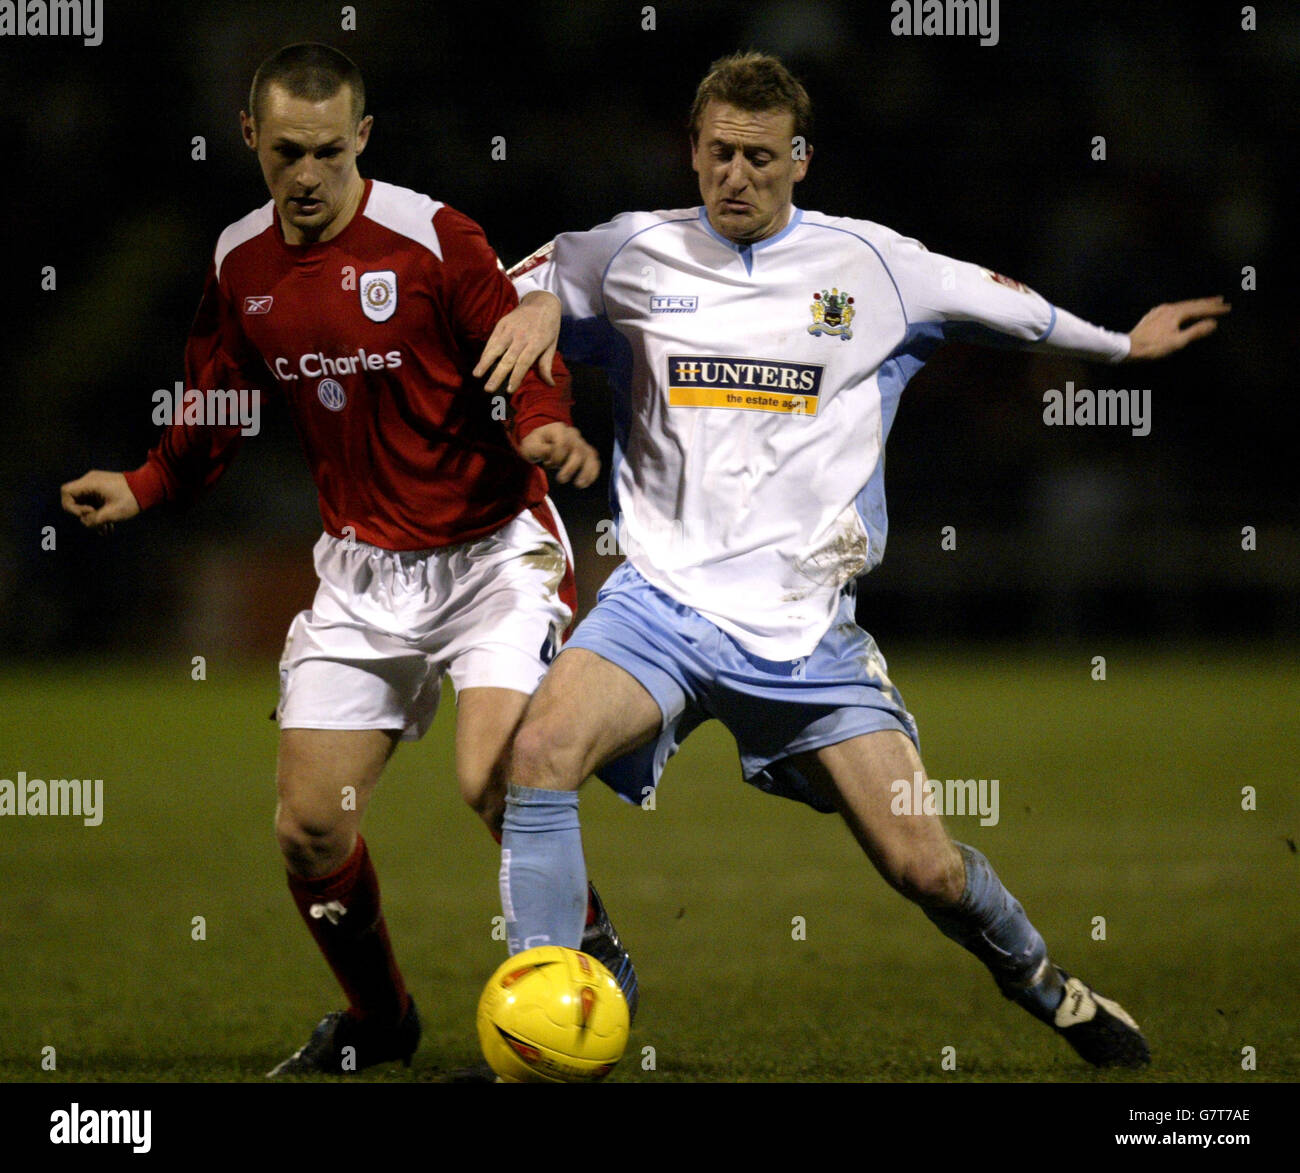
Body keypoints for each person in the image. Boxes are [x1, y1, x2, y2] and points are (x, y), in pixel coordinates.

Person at [474, 50, 1231, 1069]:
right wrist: (537, 306)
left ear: (800, 160)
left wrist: (1118, 349)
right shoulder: (624, 252)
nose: (734, 177)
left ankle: (1043, 983)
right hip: (659, 603)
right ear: (690, 153)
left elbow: (1004, 306)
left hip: (804, 633)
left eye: (757, 157)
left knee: (923, 867)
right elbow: (496, 289)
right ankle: (545, 1015)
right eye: (716, 156)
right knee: (534, 758)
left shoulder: (874, 266)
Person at [60, 42, 637, 1078]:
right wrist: (147, 484)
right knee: (309, 833)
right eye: (286, 152)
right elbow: (219, 398)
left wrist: (544, 427)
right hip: (364, 574)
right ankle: (381, 1024)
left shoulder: (430, 238)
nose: (309, 176)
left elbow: (517, 344)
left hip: (491, 553)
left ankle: (590, 955)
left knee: (494, 778)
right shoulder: (240, 260)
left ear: (362, 138)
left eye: (330, 151)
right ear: (251, 139)